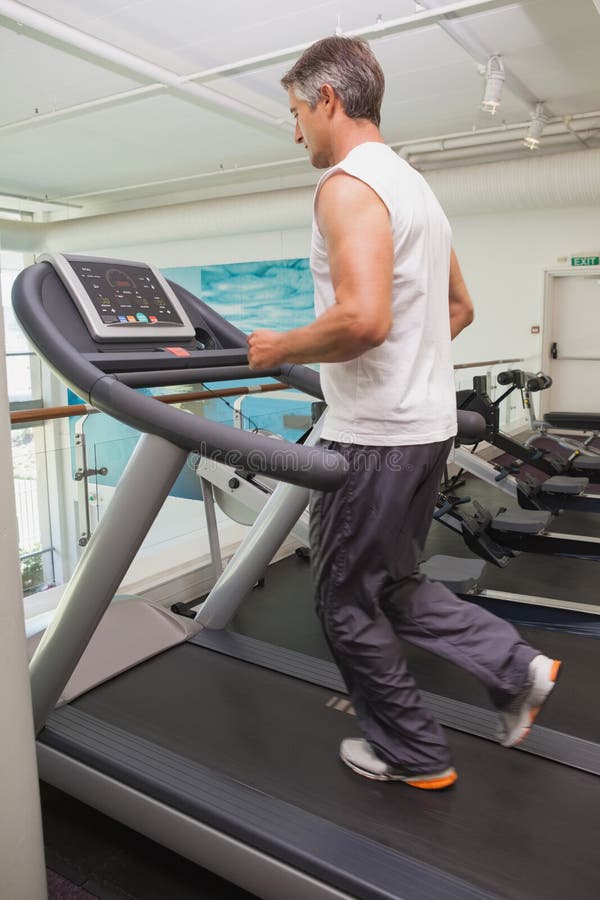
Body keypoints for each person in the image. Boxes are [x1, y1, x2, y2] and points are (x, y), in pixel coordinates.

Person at [247, 36, 561, 790]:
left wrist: (277, 346)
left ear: (327, 99)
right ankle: (516, 668)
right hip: (424, 429)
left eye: (296, 112)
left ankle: (411, 754)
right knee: (388, 582)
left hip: (376, 438)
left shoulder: (347, 186)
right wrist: (402, 370)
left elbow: (361, 319)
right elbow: (457, 308)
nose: (296, 132)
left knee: (344, 601)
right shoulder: (416, 188)